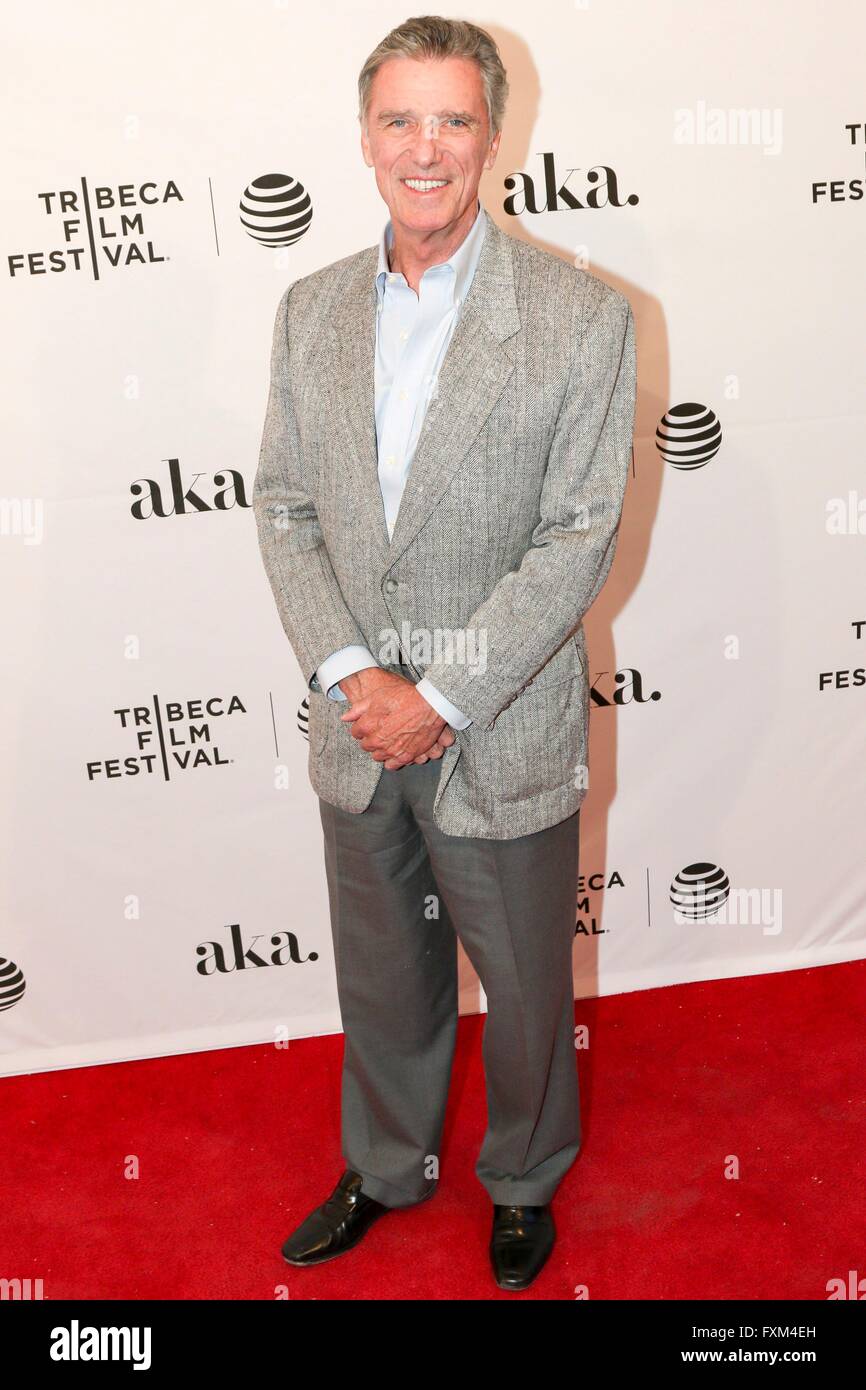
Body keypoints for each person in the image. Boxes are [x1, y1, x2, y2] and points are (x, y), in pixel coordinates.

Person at [253, 14, 636, 1292]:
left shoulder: (580, 317)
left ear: (492, 137)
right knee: (382, 971)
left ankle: (521, 1177)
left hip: (500, 722)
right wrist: (354, 677)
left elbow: (576, 535)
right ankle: (387, 1163)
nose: (426, 148)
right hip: (355, 723)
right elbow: (286, 507)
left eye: (453, 120)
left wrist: (445, 694)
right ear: (365, 138)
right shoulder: (306, 311)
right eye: (401, 120)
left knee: (525, 987)